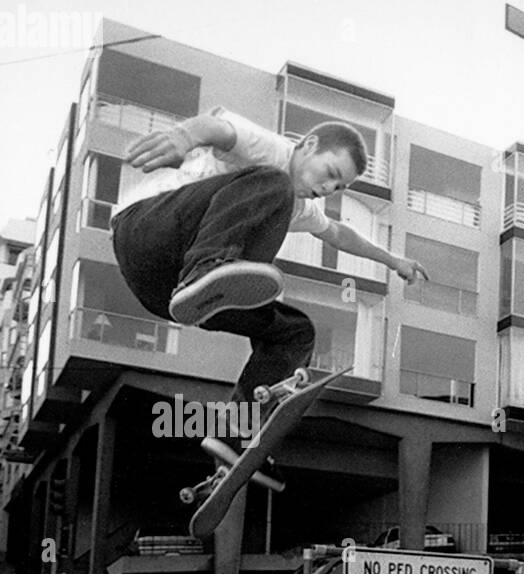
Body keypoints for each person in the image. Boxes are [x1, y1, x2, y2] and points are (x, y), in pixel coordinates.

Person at [110, 107, 429, 407]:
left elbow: (338, 233)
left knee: (295, 331)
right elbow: (216, 127)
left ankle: (239, 429)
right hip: (145, 233)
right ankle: (207, 268)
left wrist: (394, 261)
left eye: (339, 186)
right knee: (275, 183)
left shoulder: (303, 207)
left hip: (161, 291)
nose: (330, 187)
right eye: (330, 172)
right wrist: (183, 136)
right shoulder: (273, 152)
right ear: (309, 146)